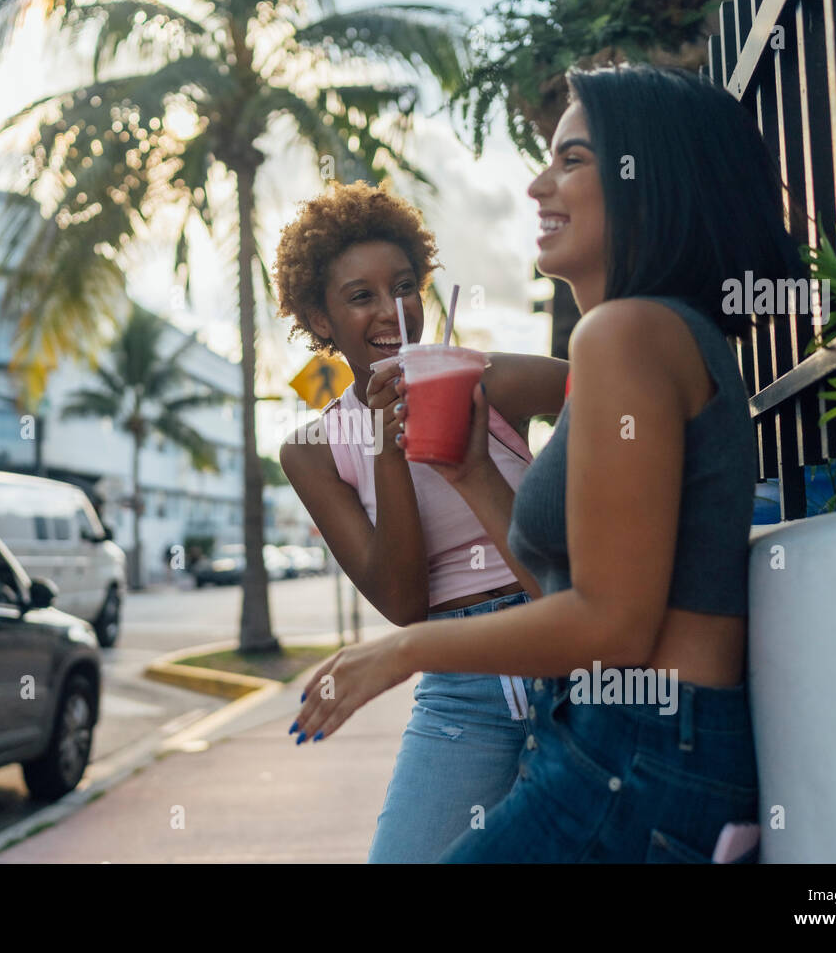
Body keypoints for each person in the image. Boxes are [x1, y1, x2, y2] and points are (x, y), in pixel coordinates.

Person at [290, 65, 806, 862]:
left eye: (572, 159)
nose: (536, 186)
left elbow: (611, 624)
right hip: (648, 745)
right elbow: (590, 594)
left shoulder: (621, 336)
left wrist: (397, 653)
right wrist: (468, 471)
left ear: (651, 180)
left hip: (639, 755)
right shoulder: (659, 331)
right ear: (321, 317)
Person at [275, 180, 568, 862]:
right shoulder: (313, 450)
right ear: (321, 319)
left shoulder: (486, 382)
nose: (391, 309)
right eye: (361, 295)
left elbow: (613, 393)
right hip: (459, 686)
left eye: (405, 285)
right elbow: (403, 602)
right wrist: (384, 437)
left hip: (568, 648)